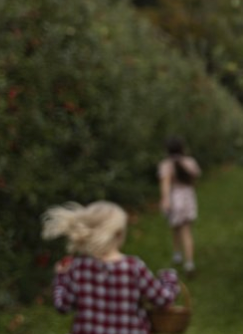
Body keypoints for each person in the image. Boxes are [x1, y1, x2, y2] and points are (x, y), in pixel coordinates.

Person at [41, 201, 178, 334]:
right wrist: (168, 279)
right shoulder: (133, 267)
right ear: (119, 234)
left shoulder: (78, 268)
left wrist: (61, 278)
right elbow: (163, 300)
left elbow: (63, 306)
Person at [158, 137, 201, 276]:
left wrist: (165, 200)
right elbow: (195, 178)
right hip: (188, 197)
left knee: (176, 227)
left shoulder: (166, 165)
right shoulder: (190, 162)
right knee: (186, 230)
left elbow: (165, 184)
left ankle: (180, 256)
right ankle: (186, 261)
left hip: (174, 198)